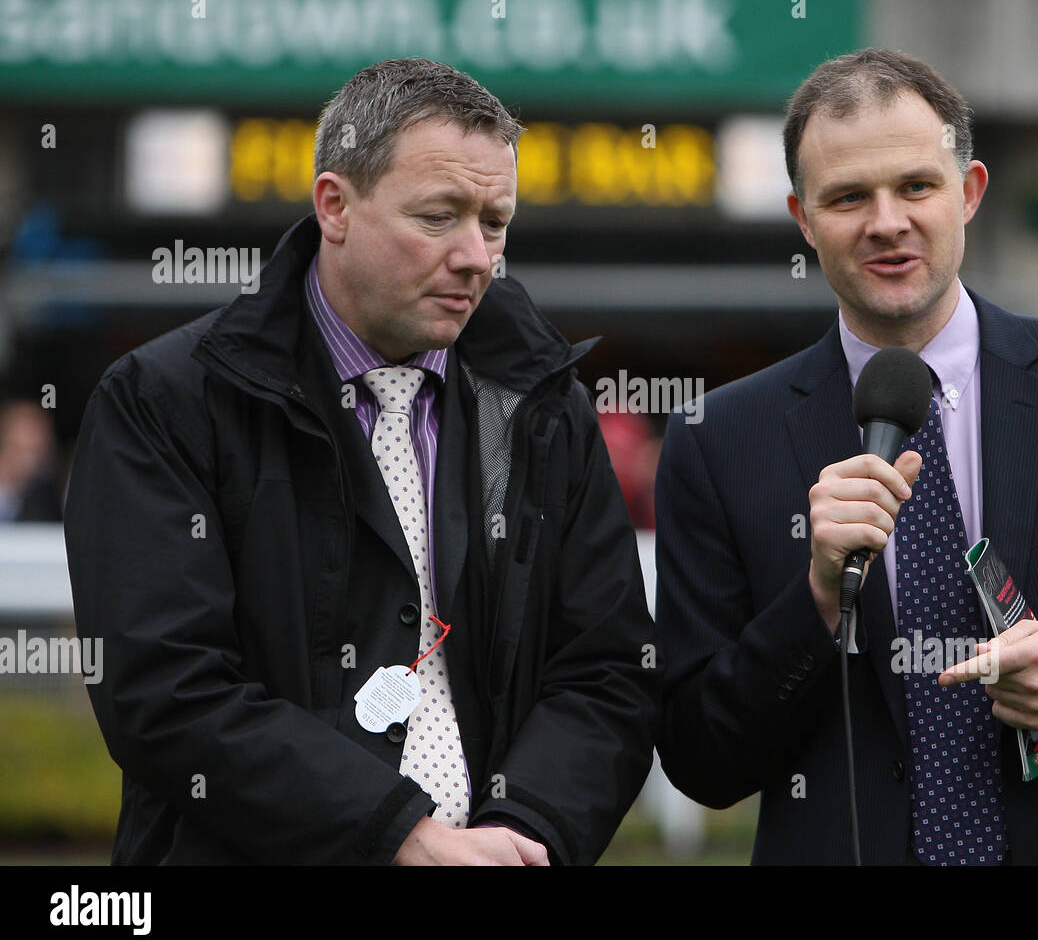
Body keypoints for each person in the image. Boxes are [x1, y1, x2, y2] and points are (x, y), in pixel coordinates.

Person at [652, 47, 1038, 865]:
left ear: (969, 191)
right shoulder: (719, 438)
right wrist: (812, 602)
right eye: (848, 197)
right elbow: (700, 757)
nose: (887, 221)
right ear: (803, 219)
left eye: (915, 186)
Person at [64, 58, 659, 865]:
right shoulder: (163, 399)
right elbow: (166, 691)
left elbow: (606, 671)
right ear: (335, 206)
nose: (477, 256)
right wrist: (400, 836)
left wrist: (525, 833)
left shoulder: (545, 403)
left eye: (495, 222)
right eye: (440, 216)